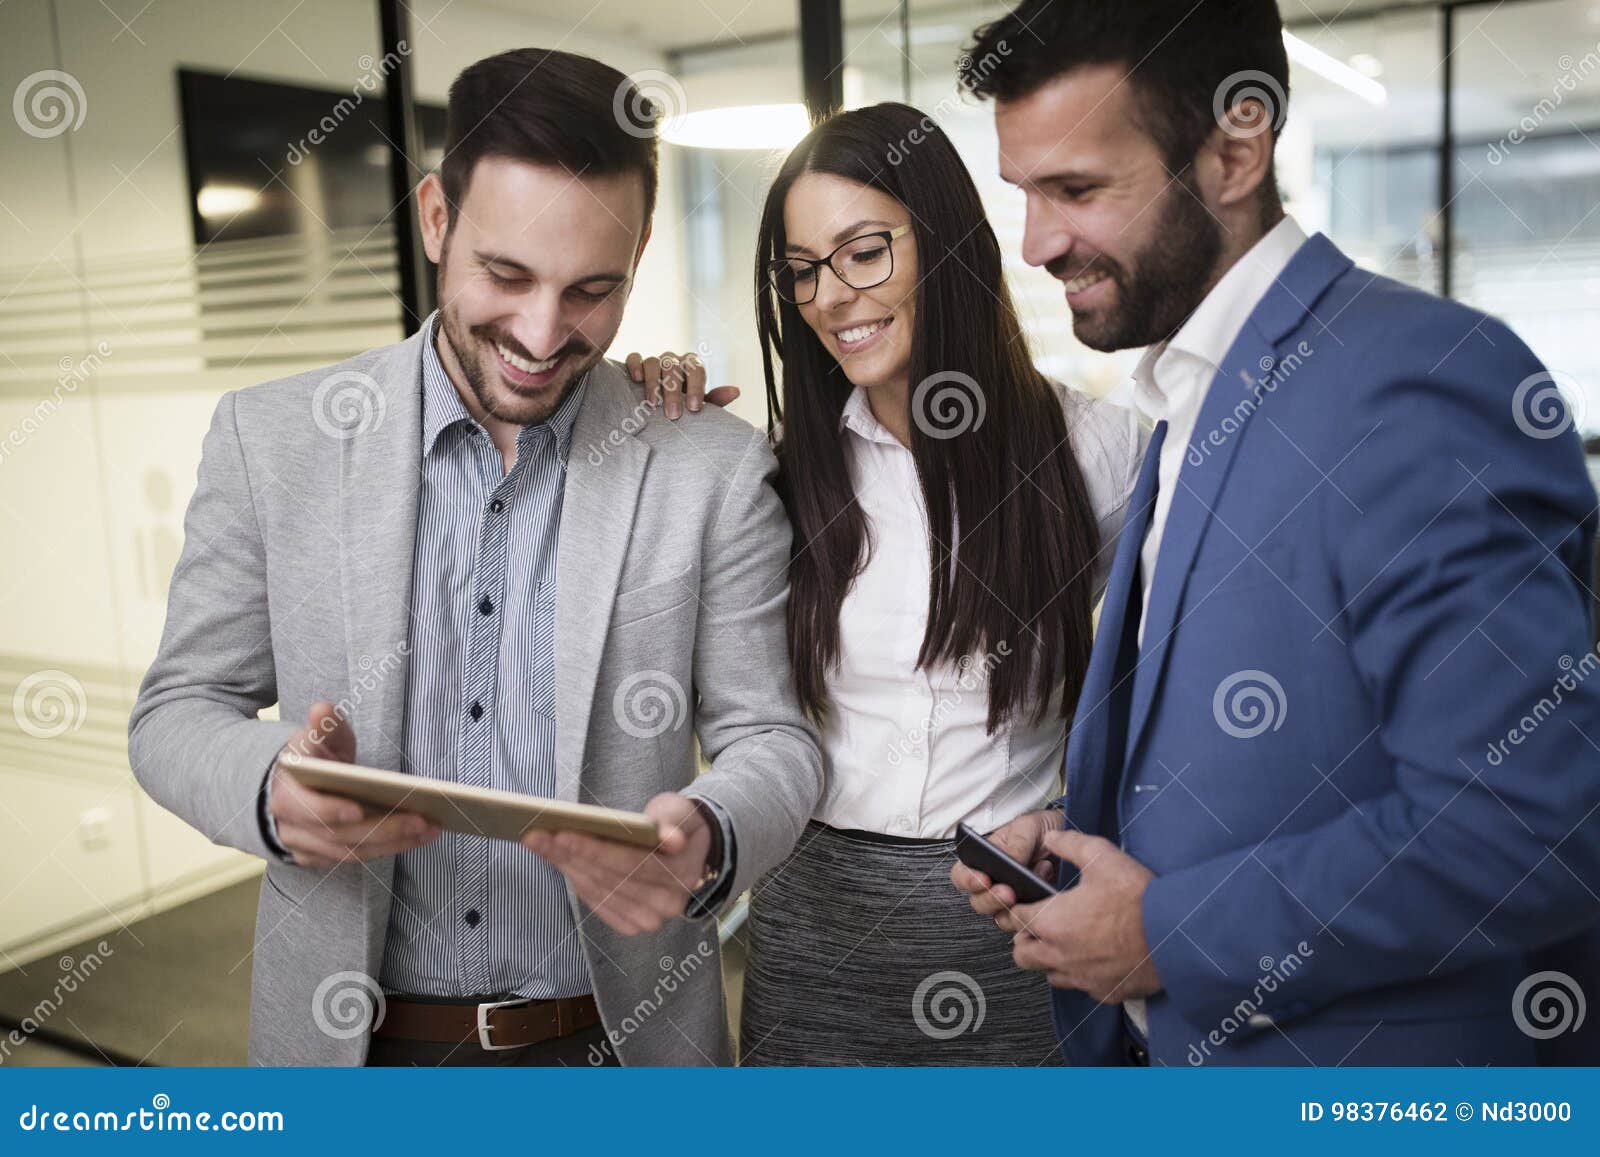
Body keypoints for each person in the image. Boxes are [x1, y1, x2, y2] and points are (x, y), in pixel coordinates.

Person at [127, 47, 823, 1067]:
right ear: (436, 219)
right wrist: (269, 786)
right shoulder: (272, 440)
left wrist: (710, 832)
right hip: (354, 1059)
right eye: (507, 276)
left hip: (616, 1052)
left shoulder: (706, 464)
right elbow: (177, 710)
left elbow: (776, 740)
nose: (543, 334)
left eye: (592, 289)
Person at [951, 0, 1600, 1066]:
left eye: (1078, 189)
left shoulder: (1410, 381)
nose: (1037, 243)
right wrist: (1081, 834)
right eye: (1025, 193)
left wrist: (1164, 932)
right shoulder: (1194, 390)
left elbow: (1531, 821)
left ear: (1233, 150)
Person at [637, 102, 1146, 1064]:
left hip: (1011, 922)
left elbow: (1159, 711)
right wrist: (634, 414)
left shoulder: (1097, 456)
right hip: (813, 933)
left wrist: (1081, 822)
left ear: (945, 243)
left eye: (864, 252)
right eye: (801, 271)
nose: (830, 297)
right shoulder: (774, 475)